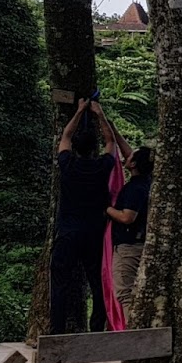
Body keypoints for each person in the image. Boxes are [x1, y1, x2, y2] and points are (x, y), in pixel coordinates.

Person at [49, 99, 117, 334]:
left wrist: (79, 112)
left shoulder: (67, 165)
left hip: (68, 231)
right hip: (93, 233)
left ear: (75, 148)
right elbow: (111, 141)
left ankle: (56, 331)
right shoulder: (101, 167)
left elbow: (65, 137)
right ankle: (96, 328)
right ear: (93, 148)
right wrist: (100, 114)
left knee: (59, 283)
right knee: (97, 283)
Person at [107, 146, 153, 307]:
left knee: (125, 293)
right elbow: (132, 155)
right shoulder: (149, 183)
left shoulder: (135, 189)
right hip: (140, 244)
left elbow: (127, 217)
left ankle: (132, 331)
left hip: (128, 248)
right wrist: (111, 129)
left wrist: (107, 208)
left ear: (133, 164)